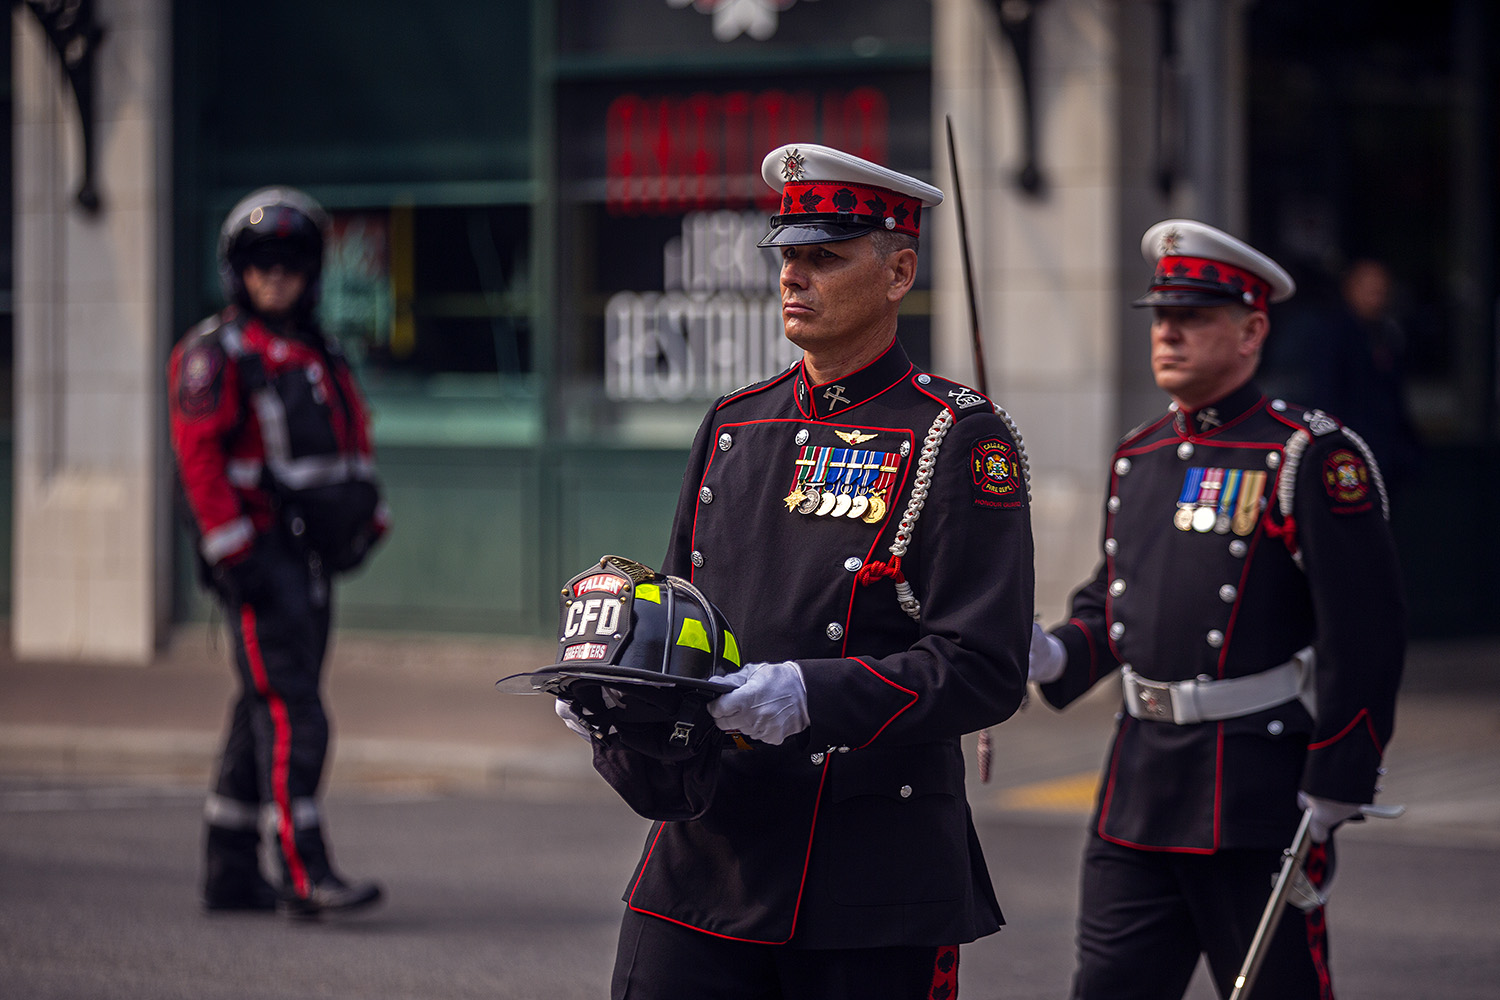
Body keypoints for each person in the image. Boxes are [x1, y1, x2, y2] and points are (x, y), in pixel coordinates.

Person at [564, 144, 1035, 999]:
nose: (795, 276)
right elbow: (686, 619)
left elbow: (982, 667)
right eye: (788, 255)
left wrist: (808, 695)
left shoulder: (959, 434)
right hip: (708, 850)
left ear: (898, 272)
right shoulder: (735, 423)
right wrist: (618, 686)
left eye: (825, 256)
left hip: (868, 874)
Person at [1028, 220, 1405, 998]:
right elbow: (1117, 601)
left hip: (1257, 790)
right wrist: (1057, 652)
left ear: (1252, 330)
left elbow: (1364, 634)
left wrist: (1342, 774)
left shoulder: (1308, 455)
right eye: (1161, 316)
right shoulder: (1141, 455)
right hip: (1137, 784)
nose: (1167, 332)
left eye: (1193, 316)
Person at [169, 186, 389, 918]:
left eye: (292, 264)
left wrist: (364, 526)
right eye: (262, 264)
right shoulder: (216, 354)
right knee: (297, 714)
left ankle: (230, 870)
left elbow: (349, 447)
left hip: (311, 564)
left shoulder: (316, 352)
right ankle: (306, 873)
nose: (277, 277)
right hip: (262, 567)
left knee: (258, 709)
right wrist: (238, 558)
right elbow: (198, 461)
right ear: (239, 272)